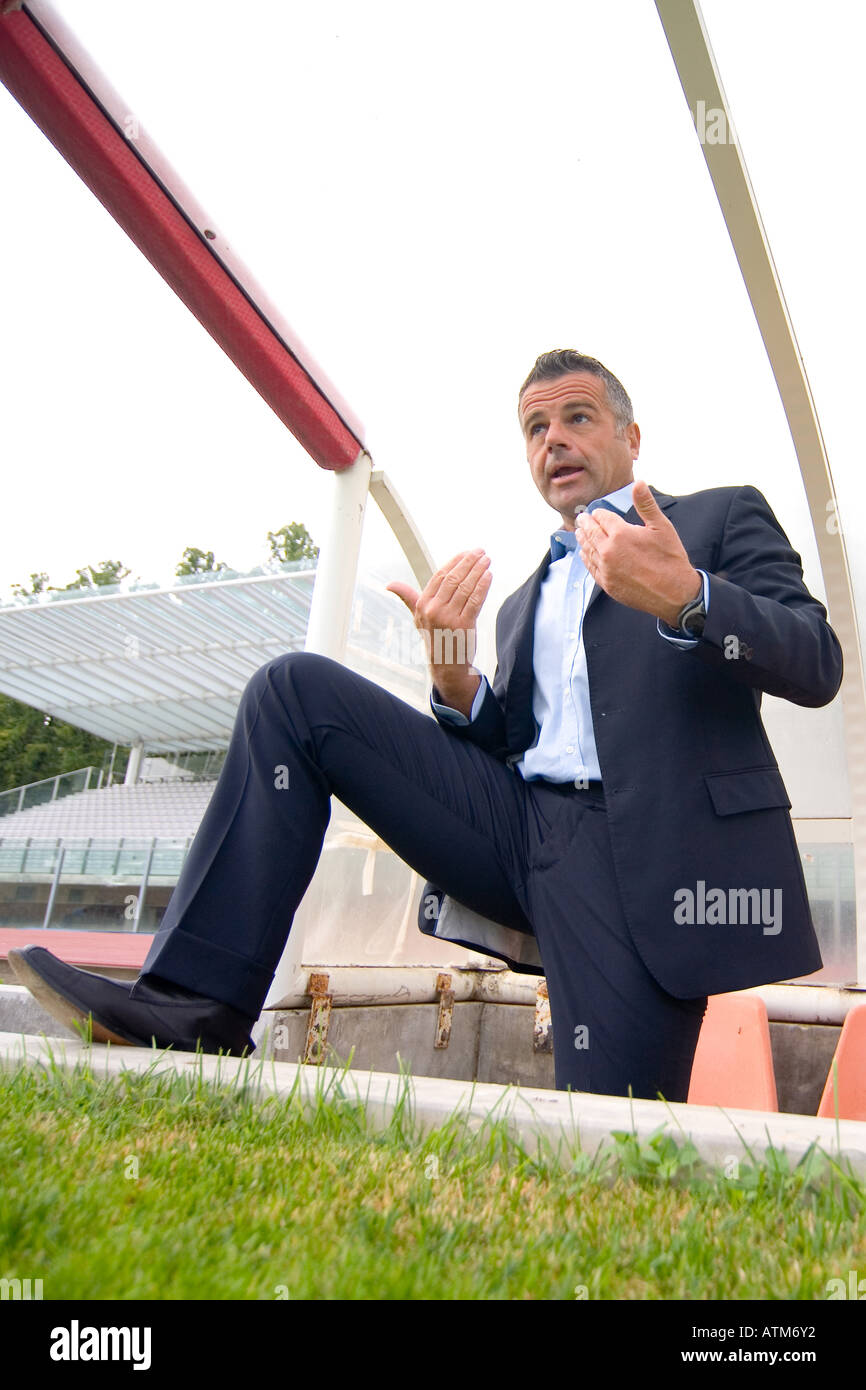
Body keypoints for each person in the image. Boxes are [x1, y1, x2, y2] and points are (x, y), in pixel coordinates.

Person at [9, 350, 843, 1101]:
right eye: (535, 427)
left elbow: (815, 661)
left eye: (577, 417)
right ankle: (193, 1006)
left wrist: (687, 596)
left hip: (645, 857)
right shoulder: (523, 602)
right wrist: (455, 680)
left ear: (631, 436)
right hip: (519, 830)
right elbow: (510, 746)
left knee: (607, 1133)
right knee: (292, 691)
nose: (553, 439)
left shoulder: (719, 520)